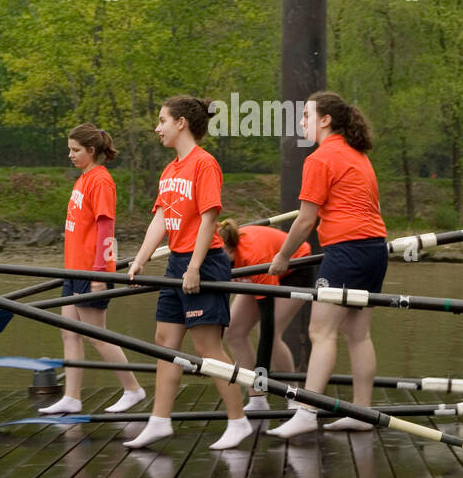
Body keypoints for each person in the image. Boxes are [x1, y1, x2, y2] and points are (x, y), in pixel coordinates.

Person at [123, 96, 251, 450]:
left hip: (205, 263)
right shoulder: (170, 170)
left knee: (207, 346)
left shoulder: (204, 164)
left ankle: (238, 421)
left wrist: (195, 268)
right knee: (165, 343)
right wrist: (140, 258)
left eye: (162, 120)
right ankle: (159, 421)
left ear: (181, 122)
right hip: (177, 262)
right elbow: (161, 218)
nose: (157, 127)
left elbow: (210, 218)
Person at [266, 91, 387, 438]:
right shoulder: (357, 154)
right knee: (357, 334)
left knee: (321, 331)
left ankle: (306, 411)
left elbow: (305, 221)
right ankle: (362, 412)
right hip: (374, 249)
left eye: (306, 115)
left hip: (347, 251)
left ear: (325, 120)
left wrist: (282, 257)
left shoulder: (320, 158)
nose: (302, 122)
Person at [39, 124, 145, 416]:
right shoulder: (83, 179)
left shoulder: (100, 180)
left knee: (97, 335)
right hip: (73, 271)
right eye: (69, 149)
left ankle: (133, 389)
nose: (70, 155)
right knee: (69, 332)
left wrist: (100, 272)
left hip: (91, 271)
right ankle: (72, 397)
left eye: (75, 150)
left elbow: (105, 228)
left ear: (92, 151)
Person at [217, 217, 312, 410]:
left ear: (227, 249)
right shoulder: (219, 257)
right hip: (261, 269)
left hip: (294, 269)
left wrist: (261, 377)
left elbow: (267, 327)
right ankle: (257, 399)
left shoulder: (253, 257)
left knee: (270, 333)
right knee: (233, 332)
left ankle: (293, 395)